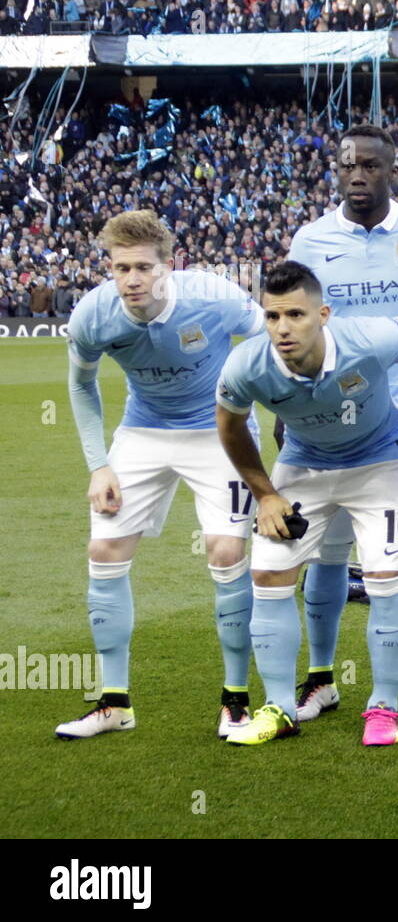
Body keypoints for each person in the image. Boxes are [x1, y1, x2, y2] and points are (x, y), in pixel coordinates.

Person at [214, 261, 398, 746]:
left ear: (324, 314)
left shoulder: (371, 338)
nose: (283, 328)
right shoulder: (246, 365)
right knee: (268, 574)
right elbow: (230, 428)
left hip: (380, 462)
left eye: (295, 314)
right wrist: (266, 495)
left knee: (384, 579)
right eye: (272, 317)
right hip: (303, 466)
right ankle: (278, 708)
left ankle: (382, 706)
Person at [56, 210, 263, 741]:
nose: (132, 279)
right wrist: (98, 463)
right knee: (103, 553)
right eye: (121, 267)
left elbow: (269, 339)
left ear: (169, 266)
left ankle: (235, 701)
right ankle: (113, 703)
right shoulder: (94, 314)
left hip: (217, 430)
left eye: (143, 267)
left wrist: (269, 409)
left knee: (225, 551)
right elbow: (81, 386)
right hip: (143, 431)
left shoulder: (213, 297)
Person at [287, 124, 398, 727]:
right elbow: (293, 329)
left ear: (392, 170)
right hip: (334, 422)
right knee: (326, 557)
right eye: (348, 165)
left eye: (372, 166)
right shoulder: (311, 239)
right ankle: (322, 678)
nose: (359, 175)